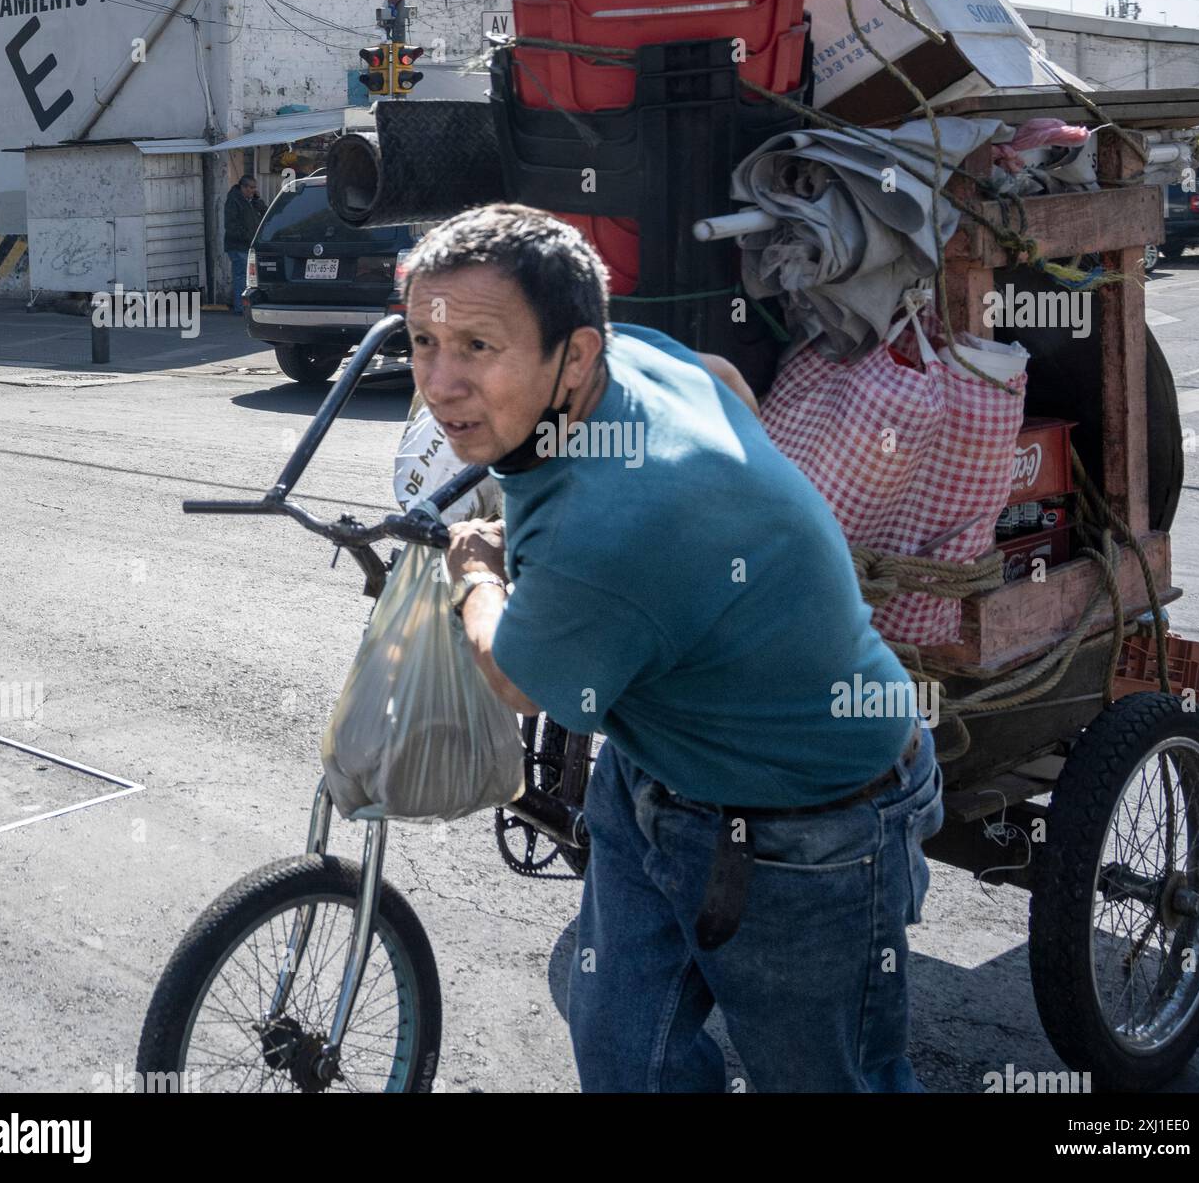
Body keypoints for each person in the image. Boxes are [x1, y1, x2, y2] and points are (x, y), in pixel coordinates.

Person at [402, 203, 943, 1094]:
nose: (440, 383)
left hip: (810, 826)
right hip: (656, 775)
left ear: (572, 355)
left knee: (834, 1083)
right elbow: (725, 377)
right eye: (424, 341)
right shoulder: (630, 357)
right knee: (626, 1059)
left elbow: (512, 676)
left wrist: (475, 570)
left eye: (478, 349)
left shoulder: (613, 531)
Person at [223, 175, 266, 314]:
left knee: (248, 277)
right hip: (238, 246)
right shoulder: (234, 201)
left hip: (249, 245)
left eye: (254, 188)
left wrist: (257, 200)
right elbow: (231, 226)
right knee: (241, 276)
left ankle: (244, 305)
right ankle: (240, 307)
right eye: (251, 188)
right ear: (243, 187)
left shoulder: (250, 201)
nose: (253, 191)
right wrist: (248, 238)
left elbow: (265, 213)